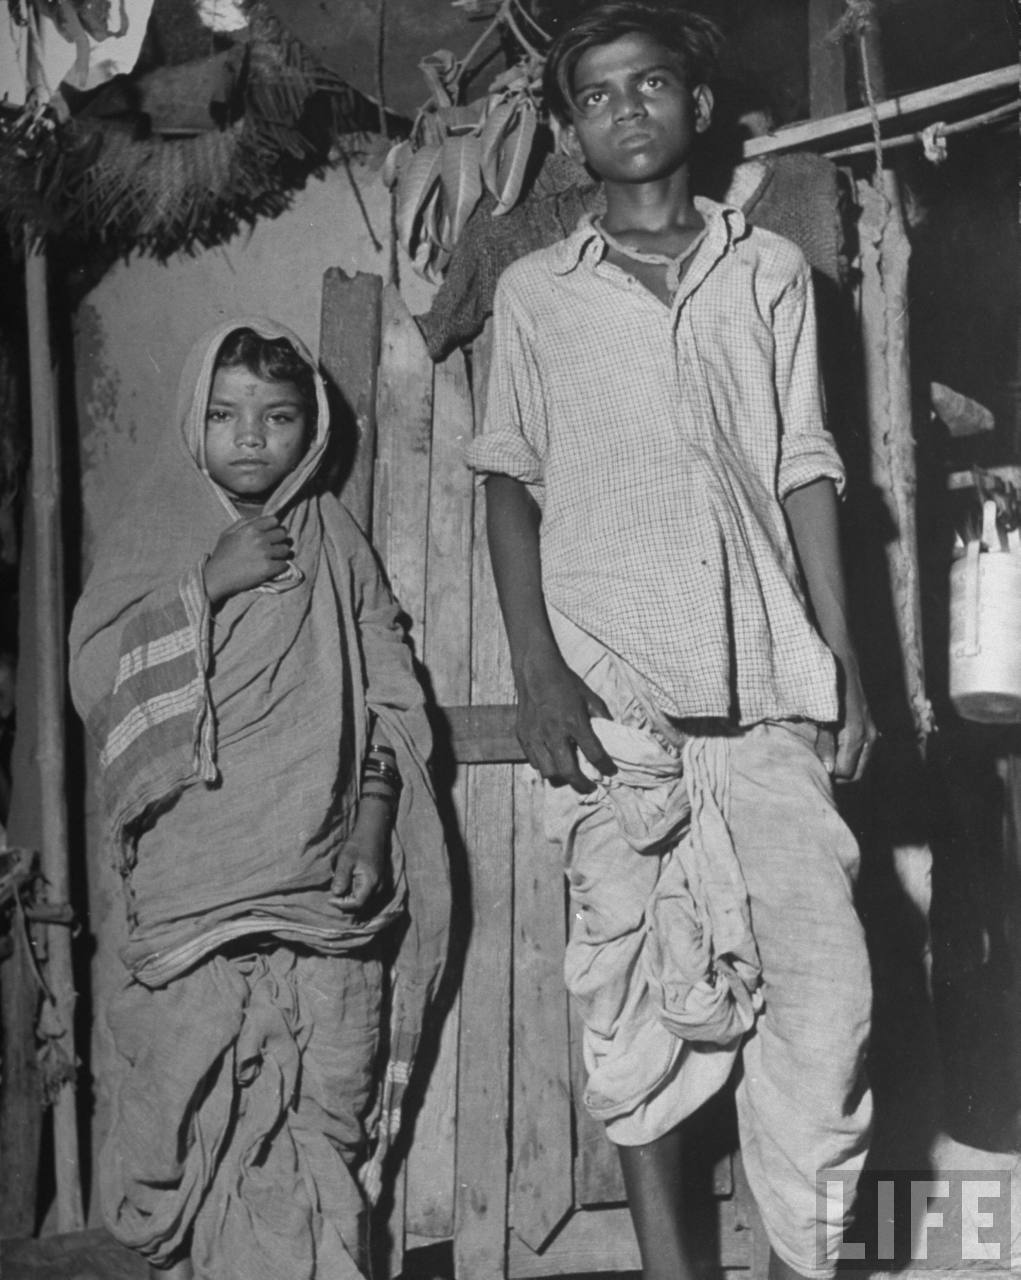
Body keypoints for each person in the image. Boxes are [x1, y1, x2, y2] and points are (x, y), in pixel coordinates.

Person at [465, 5, 877, 1279]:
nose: (625, 107)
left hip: (763, 706)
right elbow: (506, 479)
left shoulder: (767, 277)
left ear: (699, 109)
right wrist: (537, 675)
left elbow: (807, 465)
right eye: (596, 95)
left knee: (824, 1015)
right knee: (633, 1023)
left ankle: (806, 1261)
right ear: (571, 131)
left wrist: (844, 660)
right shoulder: (535, 296)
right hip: (614, 711)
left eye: (651, 85)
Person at [70, 318, 449, 1280]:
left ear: (309, 427)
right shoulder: (153, 531)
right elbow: (93, 682)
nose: (250, 436)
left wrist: (371, 825)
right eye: (225, 413)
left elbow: (387, 687)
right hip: (192, 884)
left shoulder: (334, 536)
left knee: (326, 1101)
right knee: (186, 1108)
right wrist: (205, 584)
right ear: (191, 421)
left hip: (318, 881)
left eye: (277, 416)